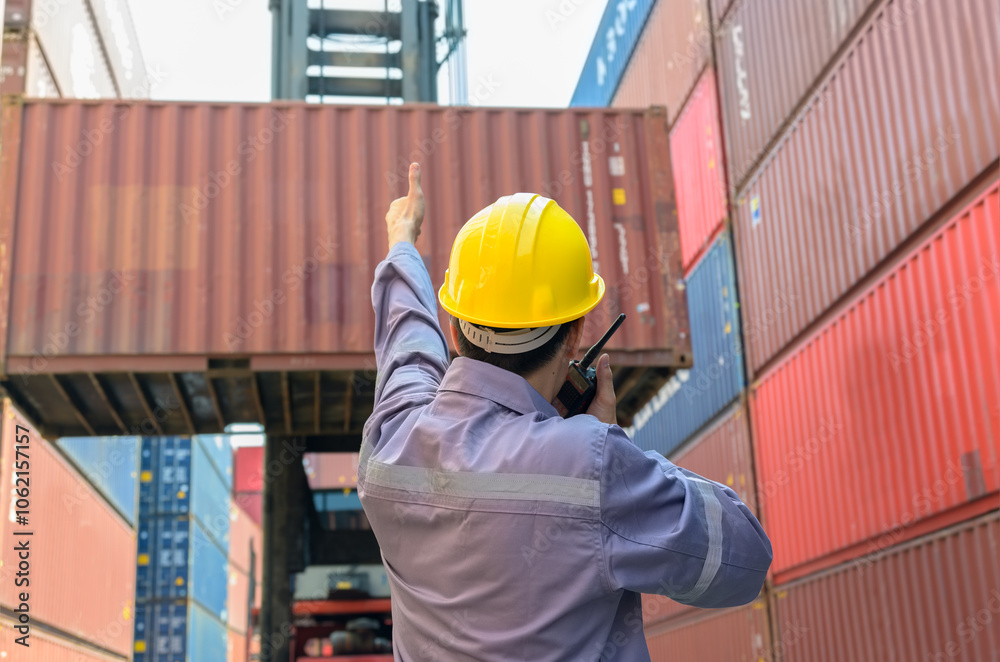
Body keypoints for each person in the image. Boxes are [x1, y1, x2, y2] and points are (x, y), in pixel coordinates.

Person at [358, 163, 772, 661]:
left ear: (454, 329)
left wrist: (402, 239)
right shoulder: (592, 464)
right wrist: (607, 443)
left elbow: (406, 344)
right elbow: (745, 559)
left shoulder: (391, 439)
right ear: (574, 336)